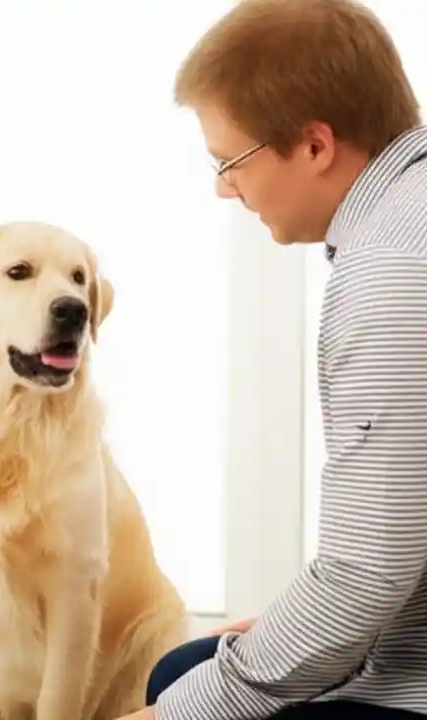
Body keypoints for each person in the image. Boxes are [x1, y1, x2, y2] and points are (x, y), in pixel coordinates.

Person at [116, 1, 427, 719]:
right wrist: (302, 636)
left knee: (183, 692)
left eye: (230, 161)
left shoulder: (390, 275)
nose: (226, 188)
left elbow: (366, 574)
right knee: (191, 665)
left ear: (316, 145)